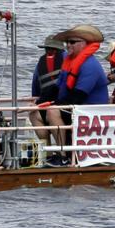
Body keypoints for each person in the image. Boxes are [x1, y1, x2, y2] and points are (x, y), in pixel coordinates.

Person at [45, 24, 107, 165]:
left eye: (72, 42)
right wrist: (39, 102)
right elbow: (56, 88)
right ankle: (48, 153)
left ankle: (64, 156)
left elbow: (78, 96)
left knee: (53, 112)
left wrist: (55, 105)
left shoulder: (91, 65)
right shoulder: (69, 62)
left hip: (89, 112)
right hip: (75, 108)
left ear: (84, 44)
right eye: (67, 42)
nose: (68, 45)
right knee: (35, 114)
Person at [29, 35, 65, 142]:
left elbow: (35, 88)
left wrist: (37, 101)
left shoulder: (40, 64)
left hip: (49, 106)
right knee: (37, 113)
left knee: (34, 113)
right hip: (63, 105)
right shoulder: (68, 60)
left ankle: (47, 153)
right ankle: (56, 153)